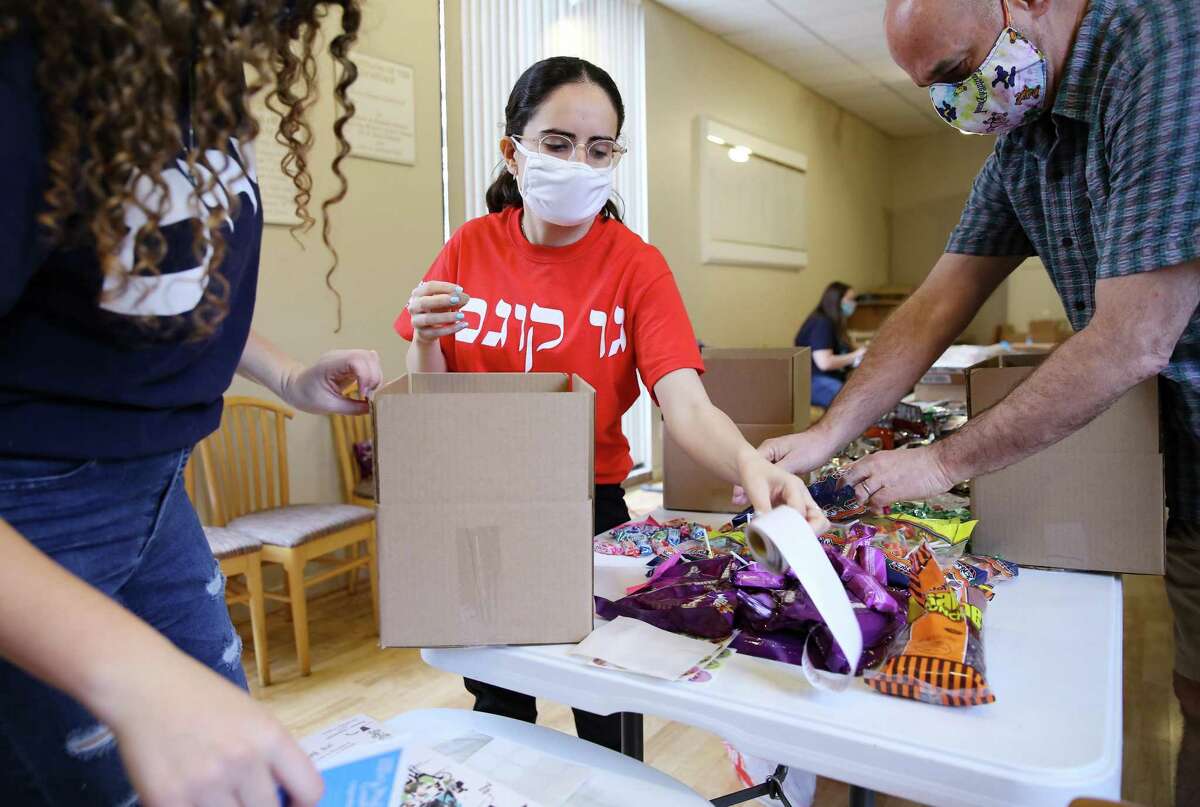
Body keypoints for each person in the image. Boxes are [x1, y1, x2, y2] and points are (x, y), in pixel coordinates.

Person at [756, 1, 1200, 803]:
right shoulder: (1024, 143)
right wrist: (827, 434)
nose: (956, 102)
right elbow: (933, 305)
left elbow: (1135, 338)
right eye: (934, 89)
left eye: (957, 72)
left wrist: (942, 460)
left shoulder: (1166, 48)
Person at [0, 3, 384, 804]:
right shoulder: (30, 57)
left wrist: (287, 376)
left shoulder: (200, 62)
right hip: (31, 518)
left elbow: (166, 282)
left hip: (156, 492)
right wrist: (131, 676)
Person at [396, 56, 829, 752]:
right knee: (498, 698)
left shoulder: (634, 265)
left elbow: (684, 404)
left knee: (606, 696)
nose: (577, 163)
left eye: (599, 150)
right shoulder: (469, 248)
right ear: (512, 152)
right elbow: (430, 395)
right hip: (477, 506)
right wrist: (423, 339)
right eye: (557, 144)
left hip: (585, 508)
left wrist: (751, 464)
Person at [794, 282, 867, 407]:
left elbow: (850, 348)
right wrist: (856, 355)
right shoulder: (821, 323)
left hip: (828, 379)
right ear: (836, 301)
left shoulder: (837, 325)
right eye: (850, 300)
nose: (854, 304)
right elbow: (825, 363)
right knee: (852, 402)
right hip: (813, 381)